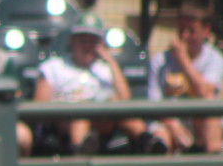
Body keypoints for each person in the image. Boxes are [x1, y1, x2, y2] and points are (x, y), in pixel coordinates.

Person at [29, 13, 161, 156]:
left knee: (116, 103)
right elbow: (39, 106)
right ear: (72, 41)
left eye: (92, 41)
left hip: (102, 121)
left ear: (100, 44)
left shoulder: (104, 69)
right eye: (83, 40)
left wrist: (110, 60)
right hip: (66, 121)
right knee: (80, 116)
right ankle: (80, 153)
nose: (87, 46)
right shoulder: (53, 67)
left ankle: (147, 142)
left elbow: (125, 99)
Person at [144, 0, 223, 154]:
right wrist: (173, 125)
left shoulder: (215, 59)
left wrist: (183, 60)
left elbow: (206, 94)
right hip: (169, 120)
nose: (184, 36)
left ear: (206, 30)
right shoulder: (160, 61)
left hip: (200, 122)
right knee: (160, 138)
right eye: (181, 29)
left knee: (210, 114)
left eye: (191, 31)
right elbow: (154, 103)